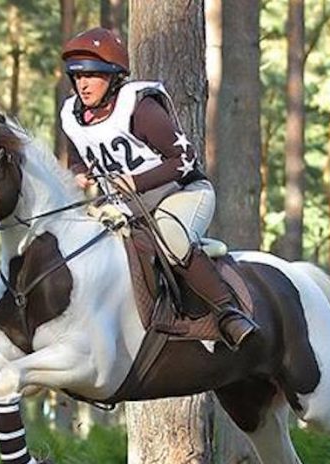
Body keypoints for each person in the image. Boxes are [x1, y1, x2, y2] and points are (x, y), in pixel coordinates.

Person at [59, 27, 258, 349]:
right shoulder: (72, 116)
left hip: (182, 193)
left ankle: (229, 313)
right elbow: (78, 159)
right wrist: (79, 174)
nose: (83, 84)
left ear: (113, 78)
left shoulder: (140, 108)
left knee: (172, 239)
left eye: (93, 76)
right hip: (127, 206)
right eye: (77, 76)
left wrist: (133, 182)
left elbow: (184, 159)